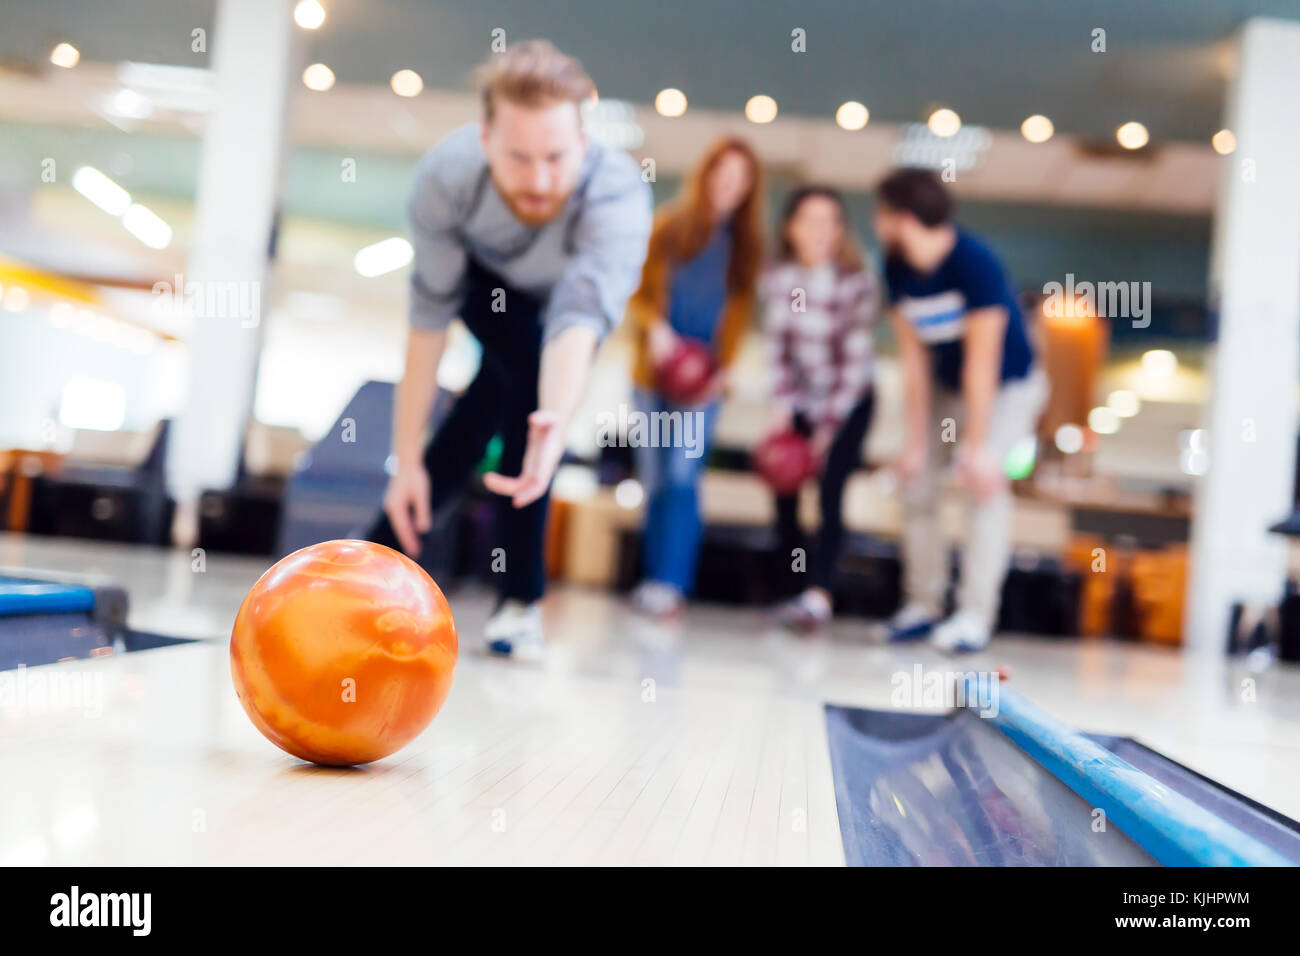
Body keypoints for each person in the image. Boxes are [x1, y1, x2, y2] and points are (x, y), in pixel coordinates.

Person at [365, 40, 652, 660]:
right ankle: (517, 600)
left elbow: (577, 319)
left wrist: (557, 421)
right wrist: (405, 458)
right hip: (483, 288)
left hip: (558, 319)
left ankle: (382, 557)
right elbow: (428, 325)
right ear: (485, 137)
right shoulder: (445, 178)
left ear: (583, 141)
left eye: (556, 157)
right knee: (520, 366)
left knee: (510, 394)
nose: (539, 181)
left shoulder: (618, 196)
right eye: (518, 158)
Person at [874, 168, 1046, 652]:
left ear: (902, 218)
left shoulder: (975, 262)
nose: (876, 223)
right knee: (917, 482)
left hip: (1007, 386)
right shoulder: (896, 266)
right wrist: (915, 442)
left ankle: (974, 615)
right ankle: (923, 605)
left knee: (982, 485)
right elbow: (914, 361)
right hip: (945, 387)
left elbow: (982, 363)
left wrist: (977, 447)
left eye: (881, 213)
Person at [624, 138, 764, 619]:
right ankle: (650, 580)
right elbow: (636, 293)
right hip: (653, 376)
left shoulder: (746, 246)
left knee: (684, 476)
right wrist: (657, 331)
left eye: (740, 178)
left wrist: (723, 371)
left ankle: (672, 583)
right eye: (722, 173)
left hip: (703, 383)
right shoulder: (668, 226)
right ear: (706, 175)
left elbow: (740, 315)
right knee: (655, 478)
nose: (729, 185)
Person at [761, 186, 881, 631]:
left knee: (831, 491)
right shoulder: (778, 280)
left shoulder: (857, 283)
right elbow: (777, 351)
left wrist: (827, 428)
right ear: (790, 228)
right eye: (809, 221)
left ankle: (818, 594)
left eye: (830, 222)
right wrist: (782, 413)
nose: (819, 231)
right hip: (800, 399)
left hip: (850, 401)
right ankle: (790, 589)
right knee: (785, 492)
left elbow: (853, 364)